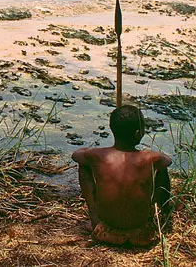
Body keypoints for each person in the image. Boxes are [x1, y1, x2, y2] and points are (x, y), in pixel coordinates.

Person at [72, 105, 172, 246]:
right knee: (161, 169)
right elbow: (167, 160)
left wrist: (89, 150)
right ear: (138, 133)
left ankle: (94, 217)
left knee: (84, 164)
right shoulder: (150, 158)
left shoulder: (96, 155)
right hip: (141, 231)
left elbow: (76, 155)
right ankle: (165, 211)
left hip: (107, 228)